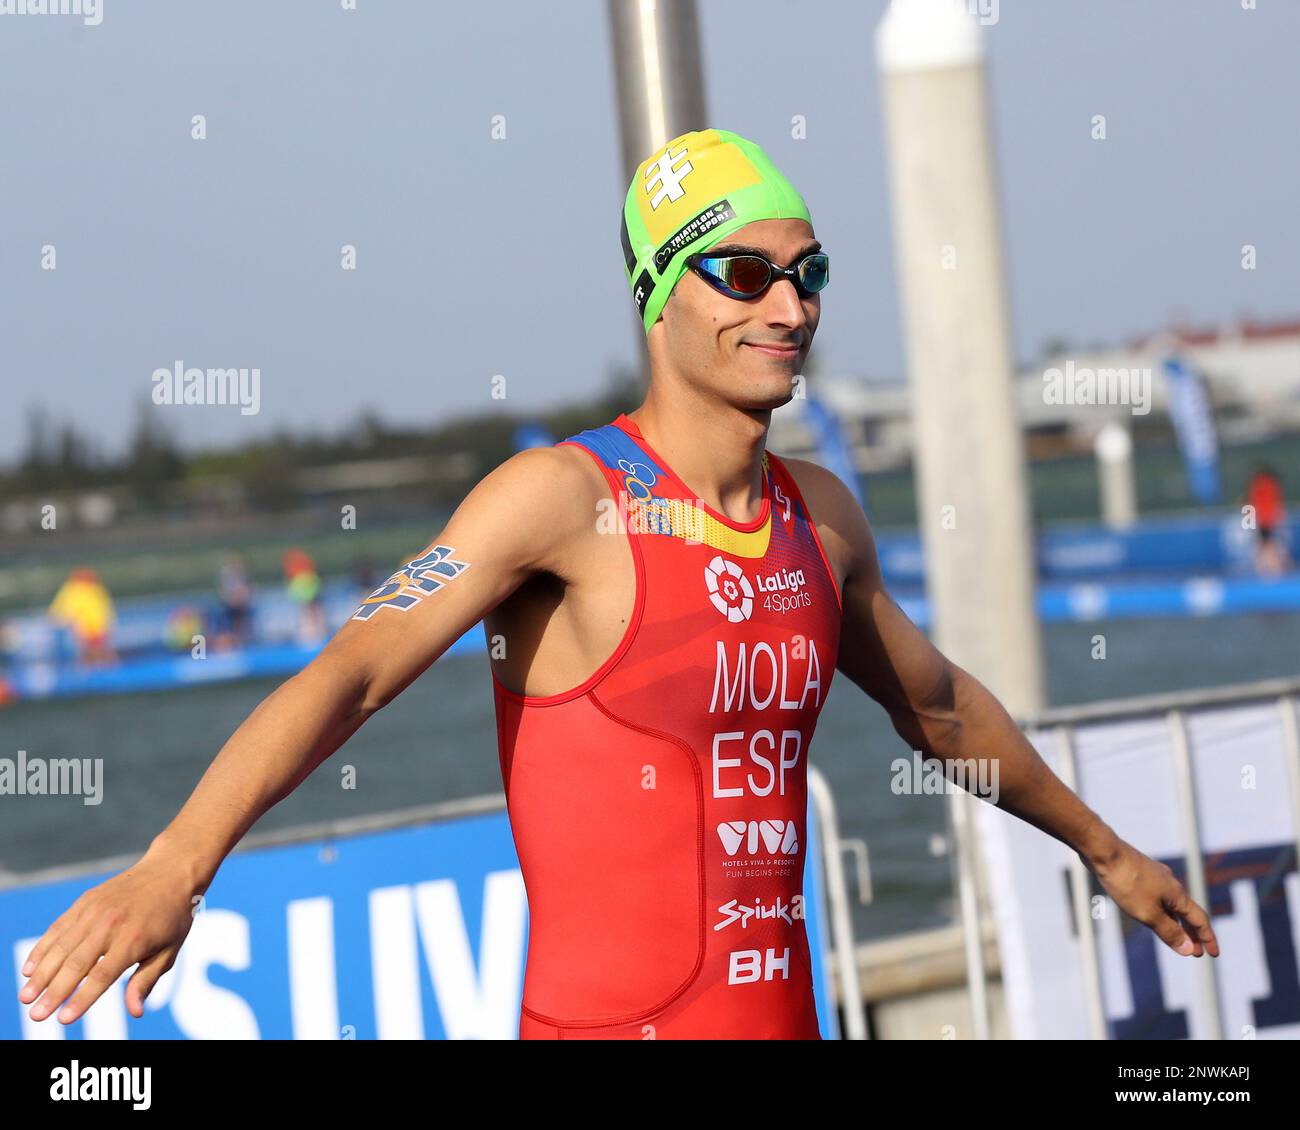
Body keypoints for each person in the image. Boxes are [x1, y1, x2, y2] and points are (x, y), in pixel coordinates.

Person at [18, 128, 1218, 1039]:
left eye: (808, 274)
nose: (790, 306)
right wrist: (175, 865)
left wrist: (1104, 850)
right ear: (660, 295)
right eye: (744, 274)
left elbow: (940, 708)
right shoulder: (560, 499)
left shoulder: (821, 519)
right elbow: (354, 670)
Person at [46, 567, 117, 666]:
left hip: (94, 627)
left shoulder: (88, 590)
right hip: (89, 628)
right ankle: (94, 670)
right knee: (93, 652)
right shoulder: (77, 590)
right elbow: (64, 609)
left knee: (96, 651)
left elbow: (104, 608)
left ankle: (98, 670)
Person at [1244, 464, 1291, 576]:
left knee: (1267, 545)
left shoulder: (1261, 484)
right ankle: (1270, 567)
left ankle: (1270, 567)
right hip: (1267, 519)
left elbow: (1253, 503)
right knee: (1267, 545)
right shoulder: (1268, 485)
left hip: (1264, 520)